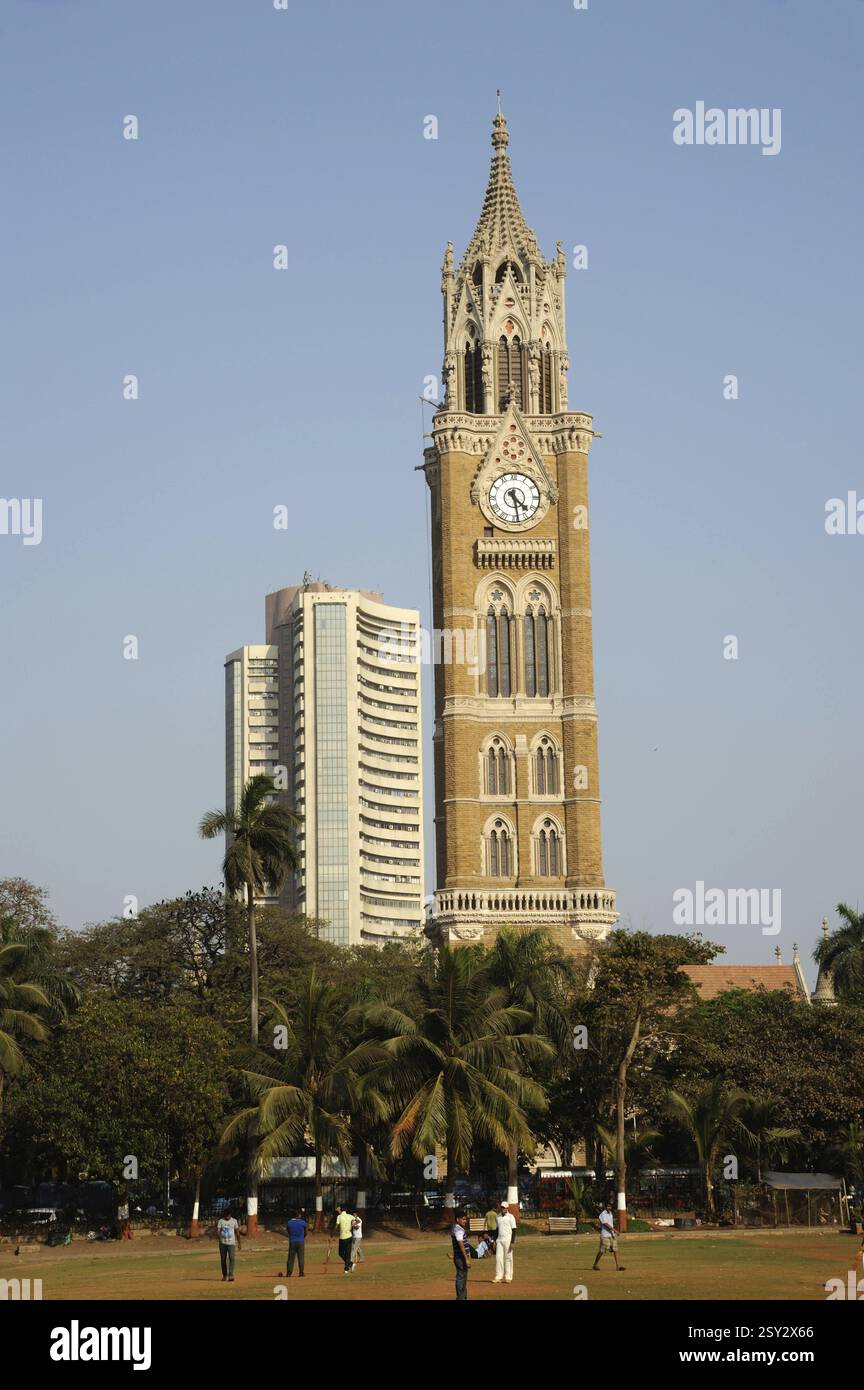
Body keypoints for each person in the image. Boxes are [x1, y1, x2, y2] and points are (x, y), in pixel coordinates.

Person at [592, 1204, 625, 1272]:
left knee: (615, 1250)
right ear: (605, 1207)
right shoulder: (602, 1214)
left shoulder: (610, 1214)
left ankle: (618, 1266)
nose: (609, 1207)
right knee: (602, 1250)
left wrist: (613, 1233)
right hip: (605, 1235)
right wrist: (615, 1230)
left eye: (610, 1206)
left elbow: (611, 1223)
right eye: (607, 1206)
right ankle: (595, 1264)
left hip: (612, 1235)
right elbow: (606, 1224)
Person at [493, 1201, 517, 1284]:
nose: (504, 1209)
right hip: (499, 1240)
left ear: (507, 1208)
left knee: (508, 1259)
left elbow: (514, 1230)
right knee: (498, 1258)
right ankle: (498, 1277)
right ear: (501, 1208)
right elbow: (497, 1230)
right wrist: (494, 1240)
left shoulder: (511, 1217)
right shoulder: (498, 1217)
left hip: (508, 1240)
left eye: (505, 1208)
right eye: (503, 1207)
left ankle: (508, 1277)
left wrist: (512, 1242)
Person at [451, 1209, 471, 1300]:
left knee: (463, 1277)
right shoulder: (458, 1229)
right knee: (461, 1277)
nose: (465, 1221)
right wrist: (466, 1258)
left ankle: (463, 1296)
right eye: (463, 1219)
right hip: (460, 1258)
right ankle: (460, 1297)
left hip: (460, 1257)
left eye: (465, 1219)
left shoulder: (457, 1228)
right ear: (457, 1219)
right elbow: (461, 1244)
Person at [217, 1213, 241, 1282]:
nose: (227, 1217)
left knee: (232, 1258)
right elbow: (218, 1231)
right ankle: (224, 1275)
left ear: (230, 1215)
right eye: (225, 1216)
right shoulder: (221, 1221)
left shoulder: (234, 1221)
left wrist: (239, 1243)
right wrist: (219, 1238)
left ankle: (231, 1274)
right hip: (222, 1244)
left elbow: (237, 1232)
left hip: (231, 1243)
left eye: (228, 1216)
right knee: (223, 1259)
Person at [334, 1204, 355, 1274]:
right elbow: (357, 1220)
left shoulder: (339, 1216)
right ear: (346, 1209)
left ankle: (346, 1269)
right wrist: (352, 1225)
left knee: (340, 1253)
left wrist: (332, 1234)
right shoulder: (350, 1216)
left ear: (341, 1210)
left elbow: (336, 1226)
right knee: (348, 1253)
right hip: (349, 1237)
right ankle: (350, 1263)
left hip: (342, 1237)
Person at [286, 1209, 307, 1277]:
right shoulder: (303, 1222)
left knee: (291, 1258)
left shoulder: (289, 1222)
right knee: (301, 1257)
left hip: (292, 1241)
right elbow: (305, 1232)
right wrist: (302, 1237)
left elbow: (288, 1231)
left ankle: (289, 1273)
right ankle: (301, 1272)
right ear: (299, 1215)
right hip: (300, 1241)